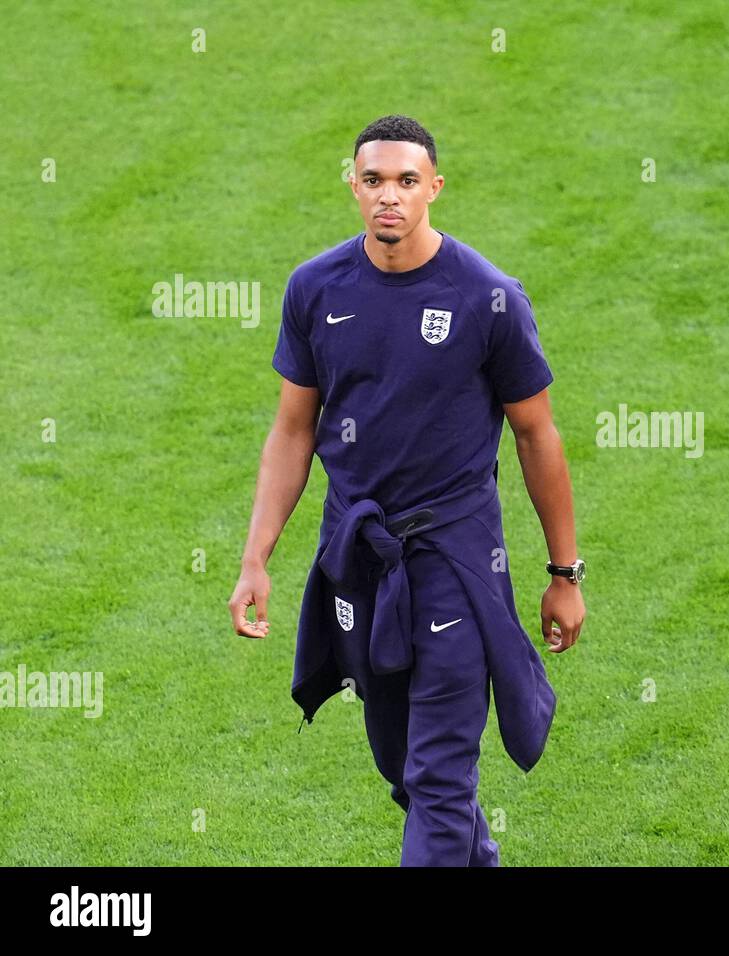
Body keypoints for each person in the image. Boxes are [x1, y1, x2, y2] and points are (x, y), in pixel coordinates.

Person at [228, 114, 586, 866]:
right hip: (360, 559)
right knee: (403, 769)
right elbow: (294, 431)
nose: (389, 196)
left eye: (406, 182)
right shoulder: (316, 289)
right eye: (373, 181)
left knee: (438, 778)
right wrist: (256, 557)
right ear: (352, 186)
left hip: (455, 559)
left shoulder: (487, 297)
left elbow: (536, 435)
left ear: (435, 189)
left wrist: (564, 574)